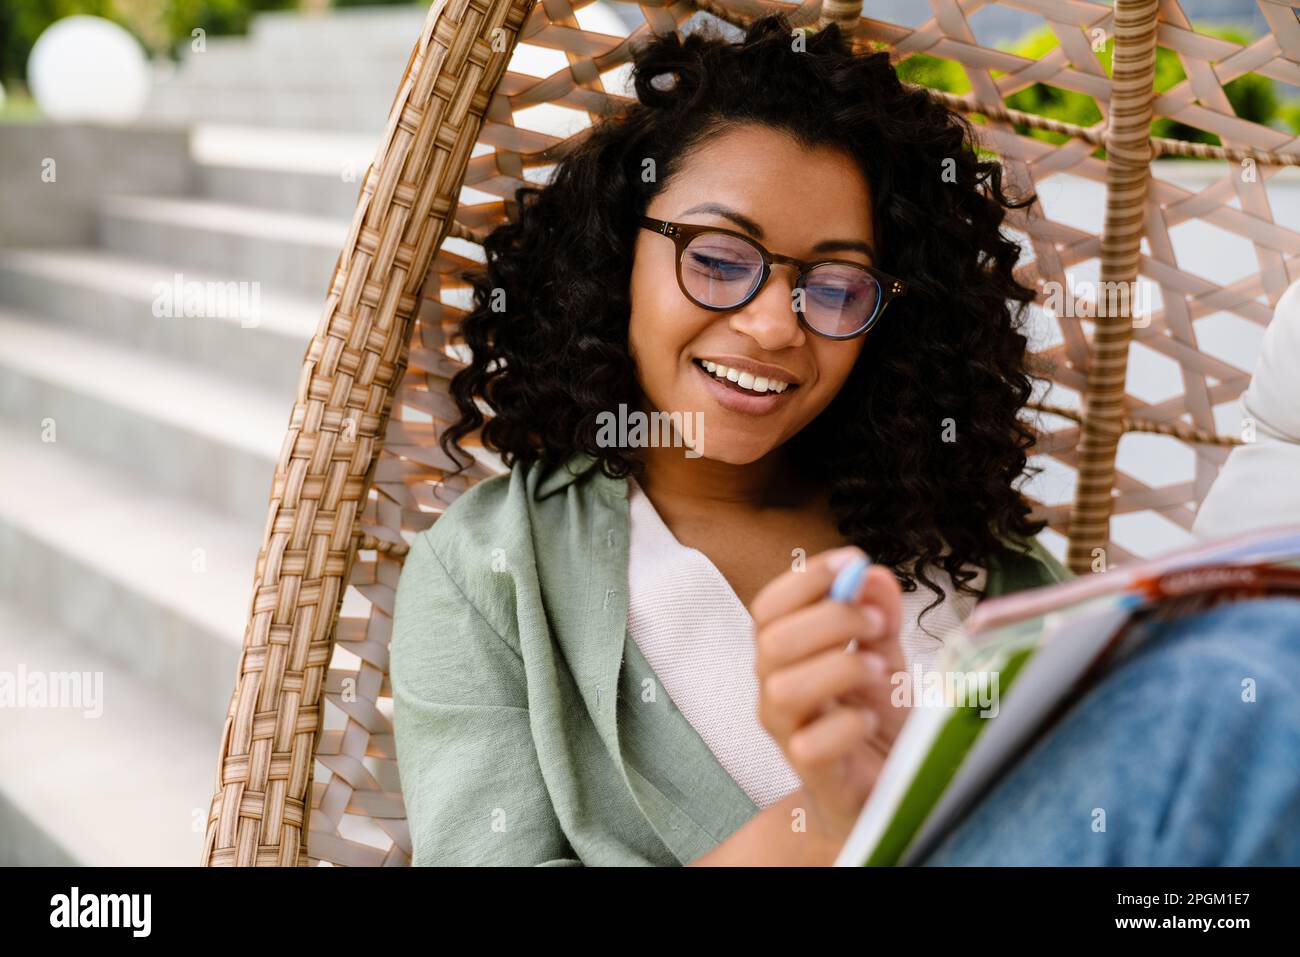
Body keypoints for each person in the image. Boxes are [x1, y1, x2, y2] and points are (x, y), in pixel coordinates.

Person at [388, 13, 1298, 866]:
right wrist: (823, 819)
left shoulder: (948, 538)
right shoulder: (495, 572)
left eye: (835, 287)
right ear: (617, 254)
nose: (777, 327)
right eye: (716, 259)